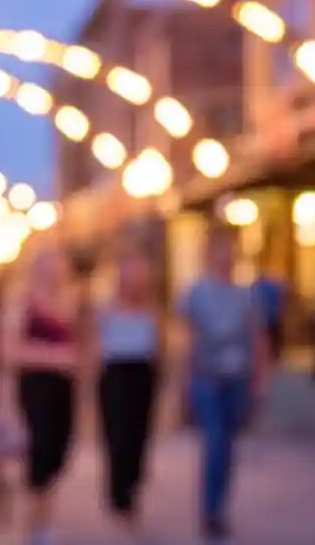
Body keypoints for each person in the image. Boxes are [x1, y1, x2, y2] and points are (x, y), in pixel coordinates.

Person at [180, 226, 271, 543]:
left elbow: (259, 340)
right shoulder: (196, 294)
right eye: (219, 249)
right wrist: (183, 384)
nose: (225, 256)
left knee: (228, 446)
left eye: (229, 249)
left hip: (237, 379)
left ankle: (220, 505)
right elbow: (187, 341)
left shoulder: (247, 295)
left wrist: (261, 382)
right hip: (207, 378)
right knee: (215, 443)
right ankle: (210, 510)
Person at [4, 250, 82, 545]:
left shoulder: (68, 303)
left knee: (57, 456)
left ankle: (45, 521)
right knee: (40, 456)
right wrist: (53, 357)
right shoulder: (23, 304)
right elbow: (9, 350)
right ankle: (32, 526)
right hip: (36, 389)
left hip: (63, 390)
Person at [96, 243, 162, 538]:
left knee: (138, 439)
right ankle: (119, 499)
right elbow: (94, 348)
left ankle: (131, 492)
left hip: (142, 376)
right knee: (117, 439)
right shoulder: (105, 307)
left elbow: (160, 348)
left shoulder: (152, 307)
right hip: (115, 376)